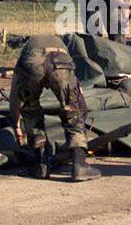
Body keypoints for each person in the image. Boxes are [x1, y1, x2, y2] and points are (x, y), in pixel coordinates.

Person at [9, 35, 100, 182]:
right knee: (74, 109)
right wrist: (78, 103)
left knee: (31, 109)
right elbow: (77, 92)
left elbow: (15, 96)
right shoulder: (62, 47)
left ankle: (40, 166)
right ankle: (79, 164)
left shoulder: (25, 53)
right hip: (58, 60)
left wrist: (16, 126)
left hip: (31, 63)